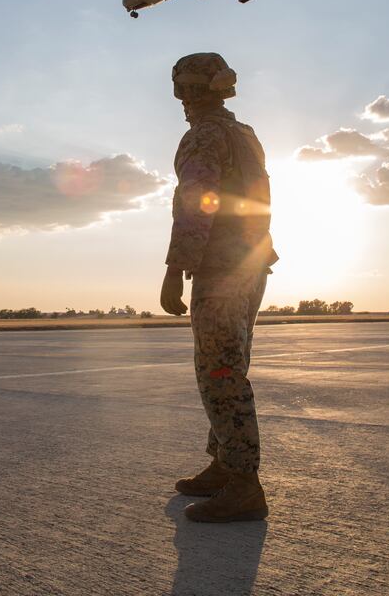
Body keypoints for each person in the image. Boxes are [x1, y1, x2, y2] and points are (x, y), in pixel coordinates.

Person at [160, 52, 278, 523]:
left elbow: (198, 203)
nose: (184, 101)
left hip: (223, 267)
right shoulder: (242, 133)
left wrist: (175, 267)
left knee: (221, 374)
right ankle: (225, 465)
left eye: (188, 90)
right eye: (180, 91)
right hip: (251, 262)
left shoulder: (205, 135)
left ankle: (245, 484)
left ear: (203, 91)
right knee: (229, 365)